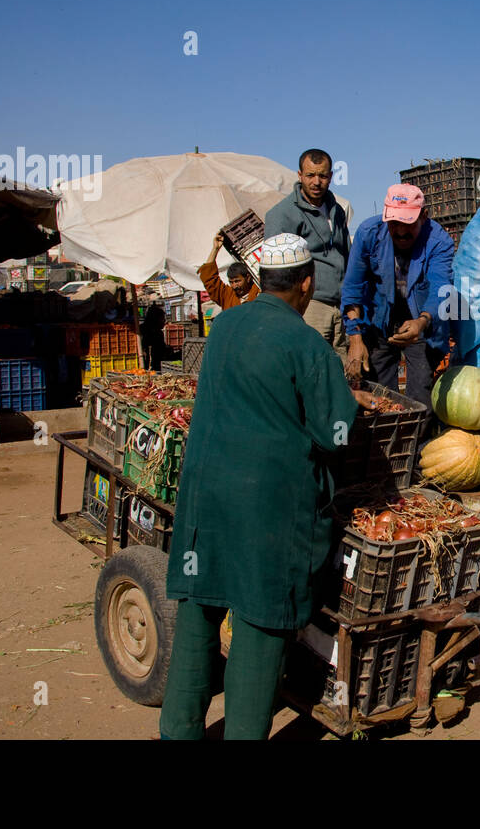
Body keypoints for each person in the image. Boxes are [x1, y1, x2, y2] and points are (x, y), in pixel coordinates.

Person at [160, 234, 379, 740]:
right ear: (307, 283)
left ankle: (178, 731)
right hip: (267, 507)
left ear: (260, 280)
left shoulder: (225, 325)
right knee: (261, 623)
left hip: (206, 497)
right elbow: (334, 435)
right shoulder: (306, 344)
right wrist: (347, 404)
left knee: (199, 609)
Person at [341, 185, 454, 408]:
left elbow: (441, 289)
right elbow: (353, 286)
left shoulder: (439, 241)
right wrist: (355, 338)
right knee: (380, 393)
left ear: (424, 215)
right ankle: (386, 441)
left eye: (408, 223)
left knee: (420, 394)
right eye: (394, 223)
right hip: (379, 320)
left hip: (421, 323)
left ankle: (419, 441)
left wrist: (422, 321)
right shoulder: (368, 233)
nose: (401, 231)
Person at [264, 149, 353, 363]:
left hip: (339, 305)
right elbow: (275, 270)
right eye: (310, 175)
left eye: (322, 176)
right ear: (299, 175)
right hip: (310, 304)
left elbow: (346, 256)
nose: (316, 182)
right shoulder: (283, 214)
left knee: (339, 371)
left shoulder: (337, 210)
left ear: (331, 176)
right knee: (312, 366)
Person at [198, 234, 259, 311]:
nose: (234, 286)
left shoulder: (259, 289)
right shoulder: (227, 295)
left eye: (237, 281)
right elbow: (209, 278)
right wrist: (215, 249)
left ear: (248, 278)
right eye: (231, 282)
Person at [139, 304, 171, 370]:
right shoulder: (155, 332)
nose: (164, 321)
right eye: (162, 318)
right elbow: (159, 351)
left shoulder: (142, 328)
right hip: (152, 364)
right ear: (156, 319)